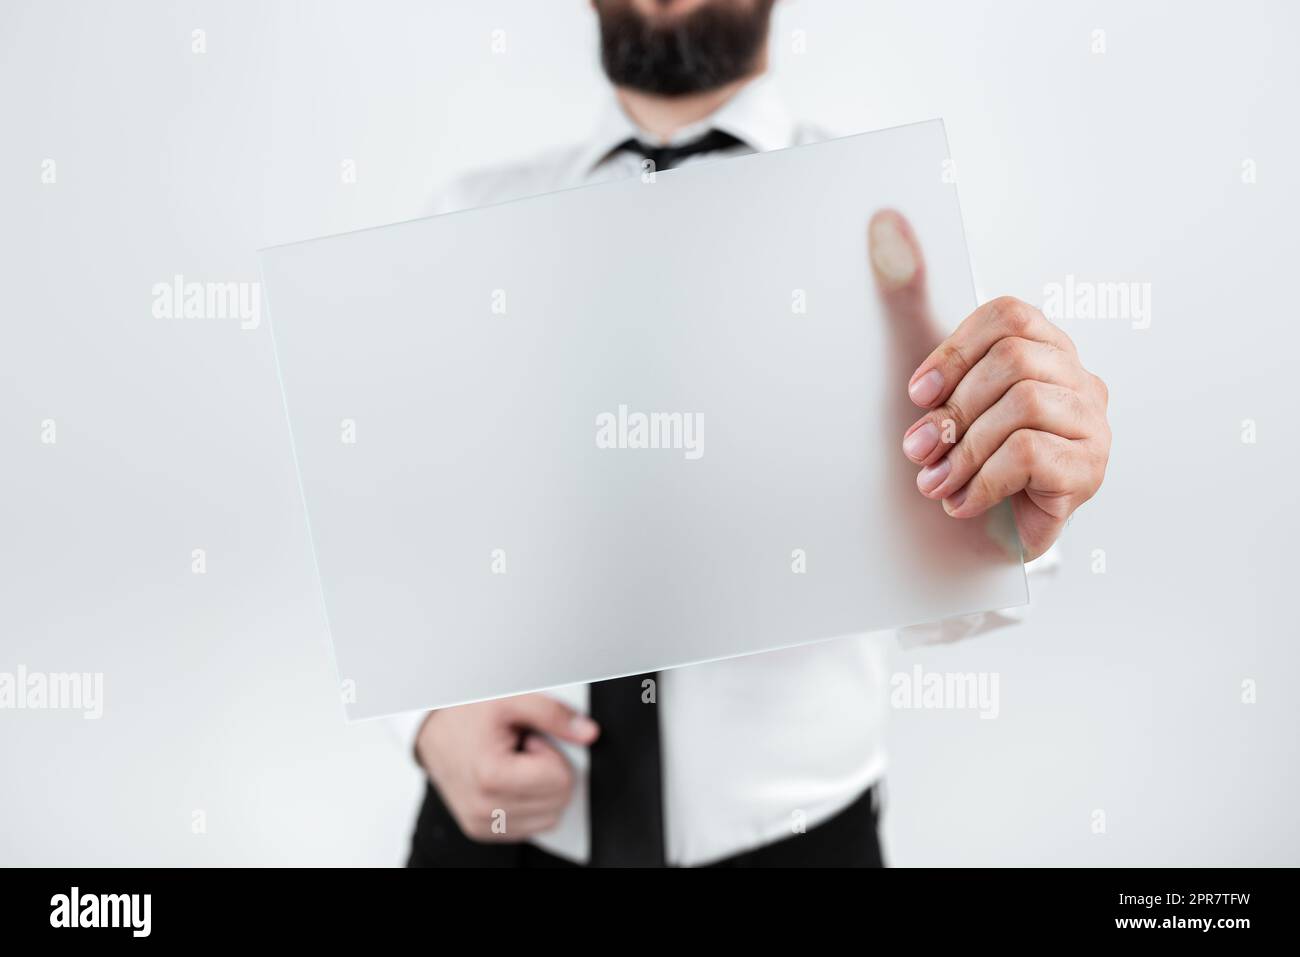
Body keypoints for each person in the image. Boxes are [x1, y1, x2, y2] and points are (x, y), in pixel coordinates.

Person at [398, 0, 1111, 868]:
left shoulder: (896, 215)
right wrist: (428, 723)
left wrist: (1014, 513)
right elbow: (397, 527)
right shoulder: (458, 217)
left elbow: (965, 575)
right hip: (492, 839)